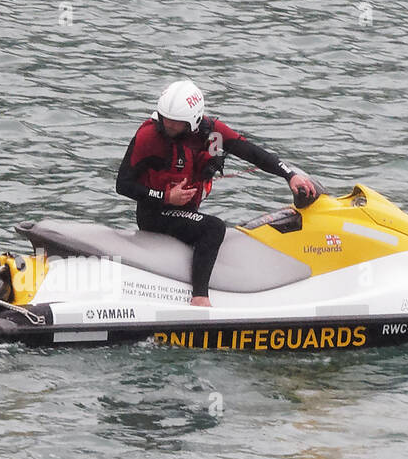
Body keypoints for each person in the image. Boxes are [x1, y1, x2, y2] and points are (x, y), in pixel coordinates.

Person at [115, 79, 318, 307]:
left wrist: (289, 175)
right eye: (165, 119)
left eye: (175, 123)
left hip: (184, 212)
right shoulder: (148, 137)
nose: (168, 126)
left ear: (193, 121)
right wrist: (165, 197)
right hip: (154, 214)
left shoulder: (211, 133)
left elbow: (251, 152)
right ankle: (200, 298)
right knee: (213, 228)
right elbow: (123, 184)